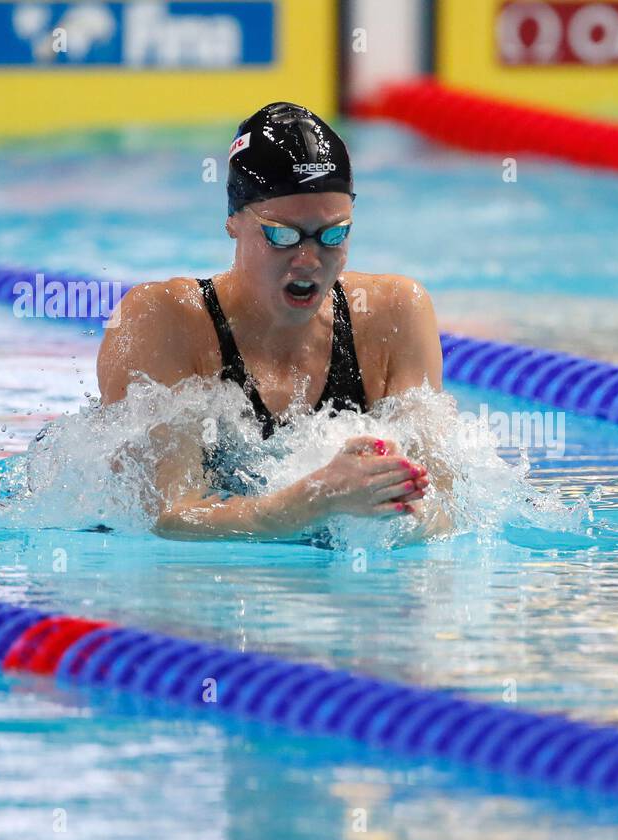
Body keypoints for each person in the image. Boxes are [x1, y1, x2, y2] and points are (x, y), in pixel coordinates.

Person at [97, 102, 446, 541]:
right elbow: (170, 516)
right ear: (233, 222)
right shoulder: (162, 320)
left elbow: (446, 510)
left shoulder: (395, 313)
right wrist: (317, 501)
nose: (308, 259)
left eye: (334, 234)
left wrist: (397, 503)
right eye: (281, 235)